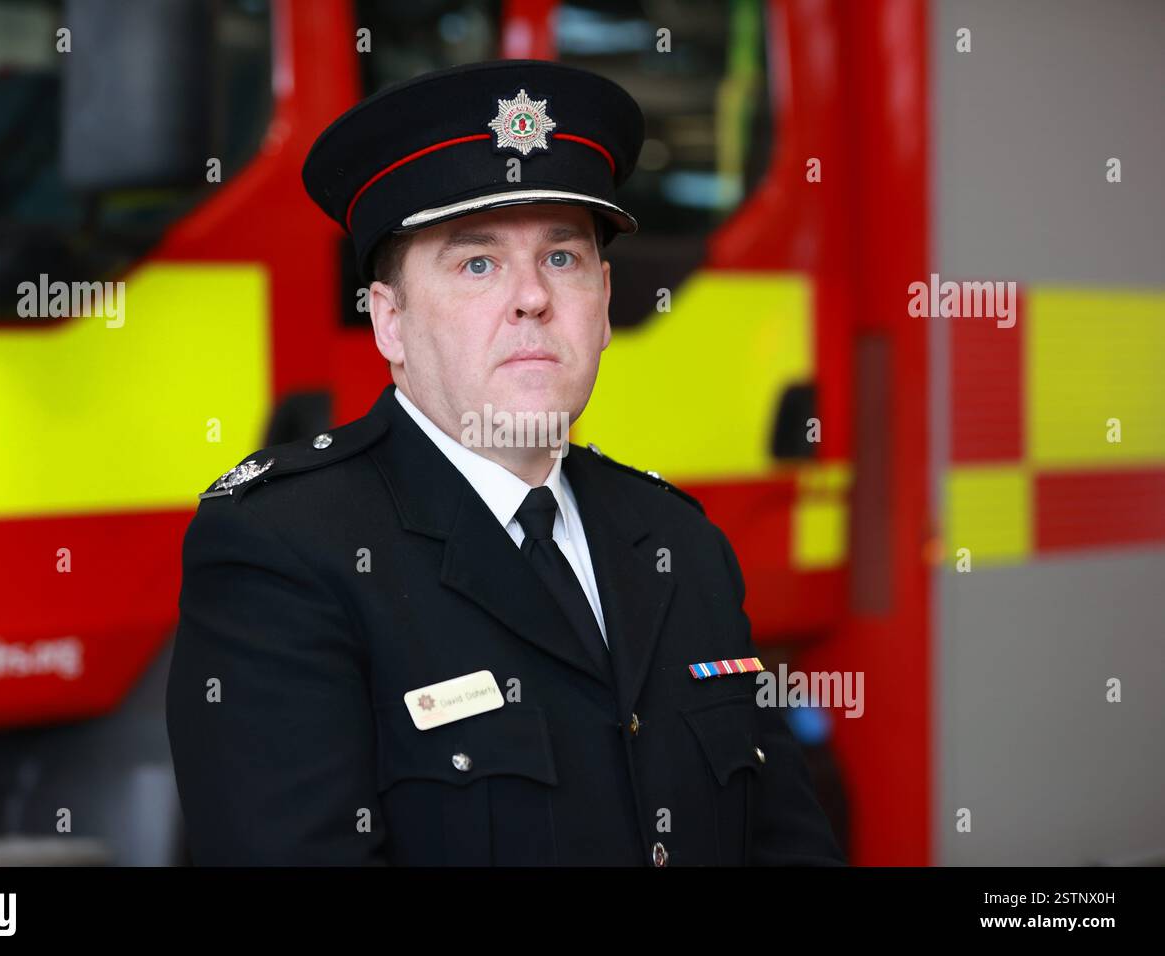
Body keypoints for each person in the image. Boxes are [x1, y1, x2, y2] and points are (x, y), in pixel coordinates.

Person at [166, 59, 844, 866]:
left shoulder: (679, 544)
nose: (532, 297)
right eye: (477, 263)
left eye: (562, 258)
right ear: (390, 322)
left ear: (602, 305)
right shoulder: (286, 553)